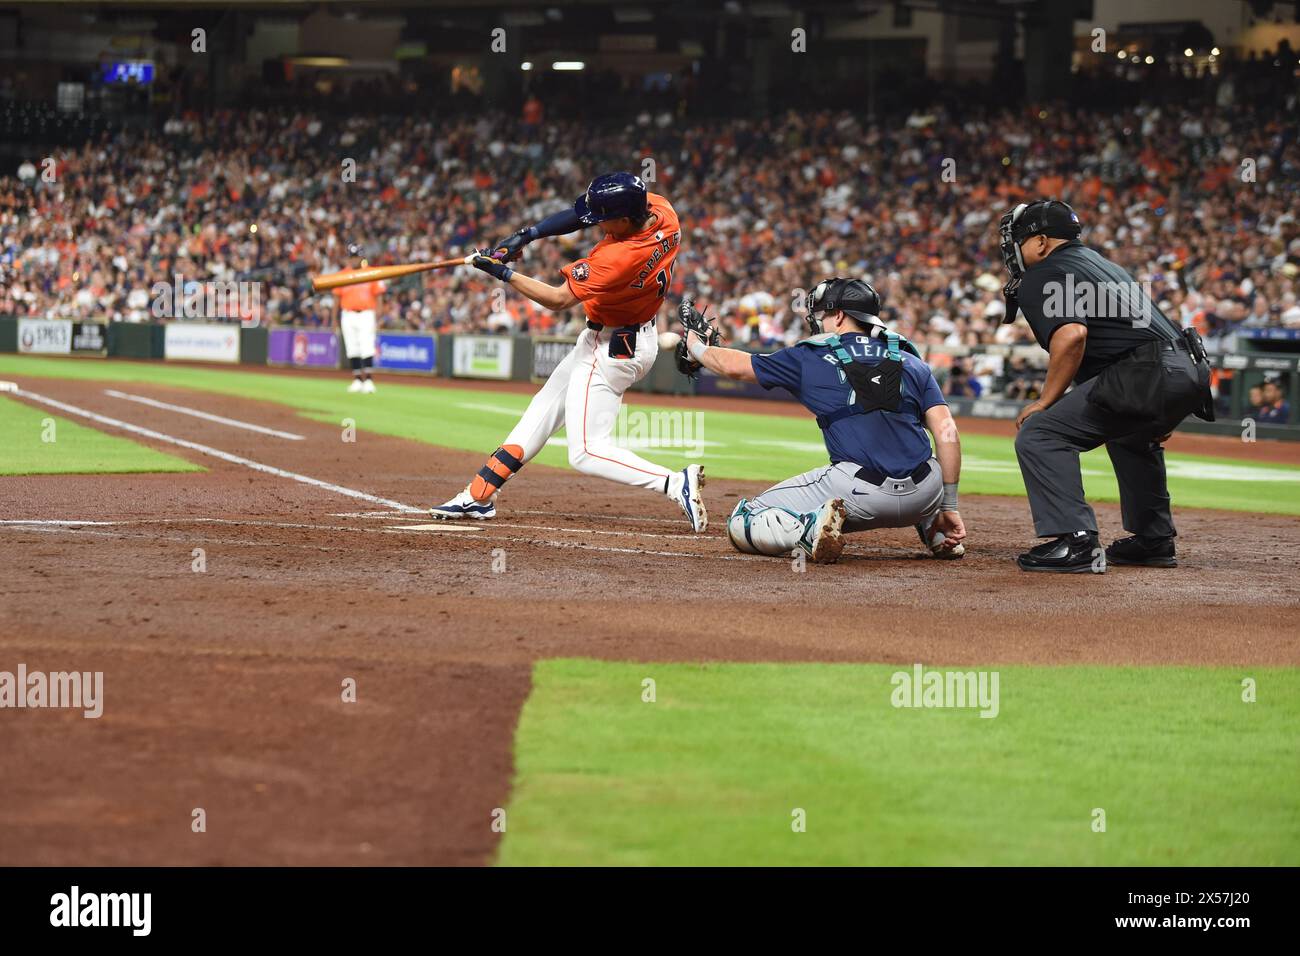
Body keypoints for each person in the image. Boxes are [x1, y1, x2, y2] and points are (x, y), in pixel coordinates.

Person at [427, 172, 707, 530]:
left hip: (612, 348)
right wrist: (528, 235)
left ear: (623, 219)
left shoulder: (618, 258)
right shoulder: (662, 211)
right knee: (541, 411)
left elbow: (558, 299)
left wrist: (502, 273)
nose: (596, 224)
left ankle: (673, 483)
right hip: (624, 336)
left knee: (586, 452)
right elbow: (581, 214)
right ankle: (479, 495)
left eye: (604, 218)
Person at [677, 277, 966, 564]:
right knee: (919, 462)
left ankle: (808, 529)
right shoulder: (911, 359)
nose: (821, 322)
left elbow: (734, 367)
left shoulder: (811, 356)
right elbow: (947, 432)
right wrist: (949, 505)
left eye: (825, 314)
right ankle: (937, 530)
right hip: (926, 495)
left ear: (839, 315)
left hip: (860, 495)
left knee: (744, 519)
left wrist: (695, 345)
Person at [998, 200, 1213, 573]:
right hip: (1188, 367)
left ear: (1042, 241)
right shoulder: (1103, 265)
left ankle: (1076, 541)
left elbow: (1072, 335)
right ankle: (1153, 540)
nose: (1013, 250)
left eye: (1019, 240)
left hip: (1148, 372)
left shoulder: (1044, 272)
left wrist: (1046, 400)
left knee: (1040, 435)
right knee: (1131, 437)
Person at [336, 254, 384, 393]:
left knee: (367, 345)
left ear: (361, 257)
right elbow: (336, 297)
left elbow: (379, 295)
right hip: (348, 313)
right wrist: (334, 319)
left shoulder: (371, 272)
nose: (353, 259)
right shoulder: (343, 274)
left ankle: (368, 379)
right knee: (352, 347)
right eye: (351, 257)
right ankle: (357, 379)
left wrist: (379, 316)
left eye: (356, 256)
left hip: (366, 313)